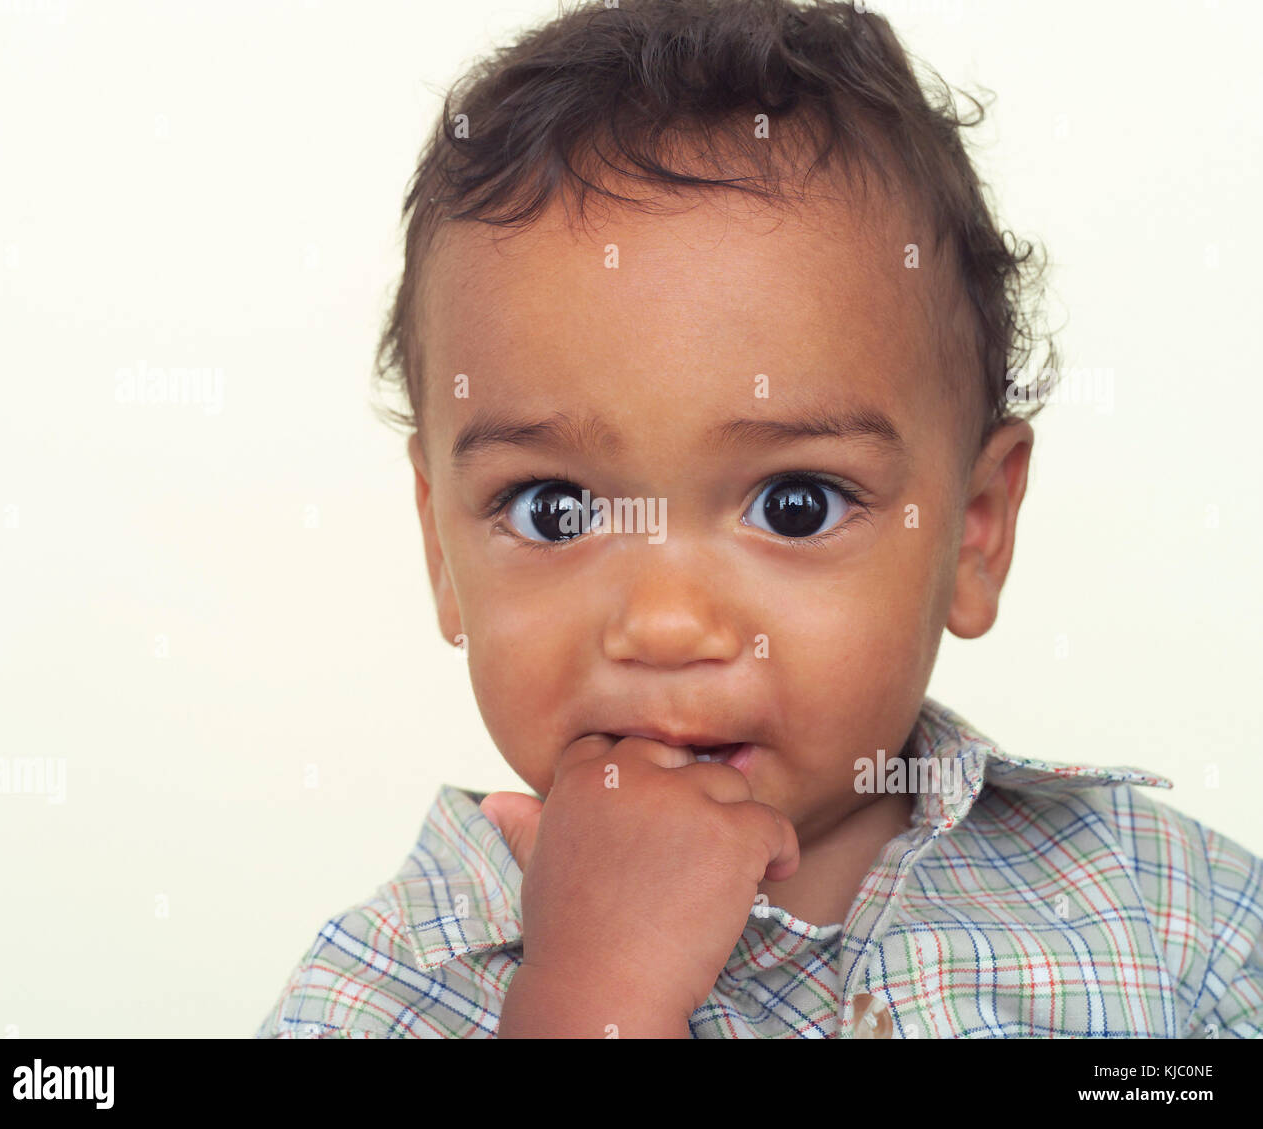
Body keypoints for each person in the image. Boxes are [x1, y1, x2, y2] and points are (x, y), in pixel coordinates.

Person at [255, 0, 1263, 1038]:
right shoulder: (386, 991)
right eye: (553, 509)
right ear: (441, 547)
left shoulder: (1167, 918)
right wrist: (593, 994)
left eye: (794, 504)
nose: (664, 623)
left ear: (973, 527)